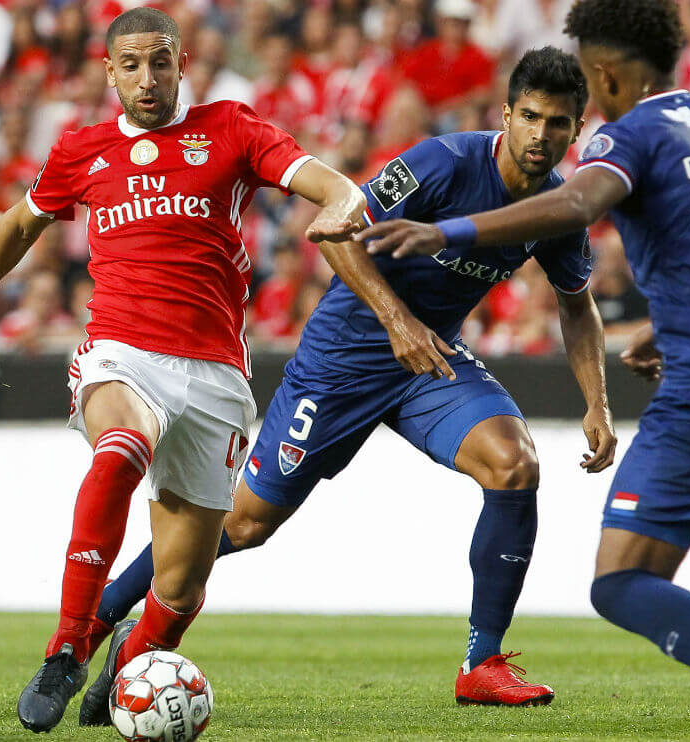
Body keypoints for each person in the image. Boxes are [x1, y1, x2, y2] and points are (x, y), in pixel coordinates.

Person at [356, 1, 690, 740]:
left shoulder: (629, 136)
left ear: (603, 70)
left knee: (622, 581)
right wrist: (674, 321)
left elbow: (574, 203)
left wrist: (446, 229)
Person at [92, 47, 613, 709]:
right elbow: (333, 228)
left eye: (559, 124)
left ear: (577, 130)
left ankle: (481, 665)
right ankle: (102, 618)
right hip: (344, 358)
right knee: (247, 525)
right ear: (506, 115)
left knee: (514, 466)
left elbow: (577, 304)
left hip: (429, 364)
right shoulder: (443, 162)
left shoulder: (558, 207)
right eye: (531, 117)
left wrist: (597, 401)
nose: (542, 135)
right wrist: (397, 320)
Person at [0, 7, 365, 733]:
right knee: (120, 447)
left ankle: (134, 661)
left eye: (159, 61)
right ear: (109, 71)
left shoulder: (232, 129)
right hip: (122, 352)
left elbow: (331, 182)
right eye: (130, 64)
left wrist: (343, 204)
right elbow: (14, 226)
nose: (147, 77)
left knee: (182, 587)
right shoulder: (82, 150)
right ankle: (67, 646)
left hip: (217, 375)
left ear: (182, 62)